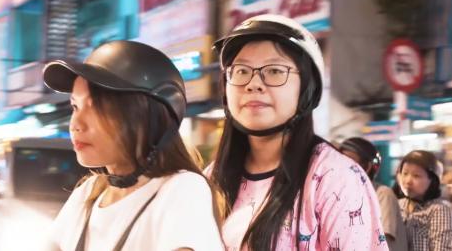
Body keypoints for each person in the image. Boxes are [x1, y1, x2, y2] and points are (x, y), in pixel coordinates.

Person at [208, 14, 388, 250]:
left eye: (274, 71)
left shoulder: (336, 178)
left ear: (307, 89)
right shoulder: (210, 179)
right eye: (241, 71)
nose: (253, 84)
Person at [42, 40, 223, 251]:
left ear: (147, 116)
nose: (75, 124)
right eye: (75, 106)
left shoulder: (182, 189)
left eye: (96, 108)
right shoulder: (88, 193)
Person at [338, 137, 407, 251]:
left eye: (349, 161)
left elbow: (382, 239)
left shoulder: (383, 194)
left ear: (367, 167)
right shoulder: (344, 196)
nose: (342, 166)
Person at [396, 150, 452, 251]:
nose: (408, 181)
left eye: (416, 176)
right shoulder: (398, 204)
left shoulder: (439, 210)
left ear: (432, 180)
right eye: (405, 173)